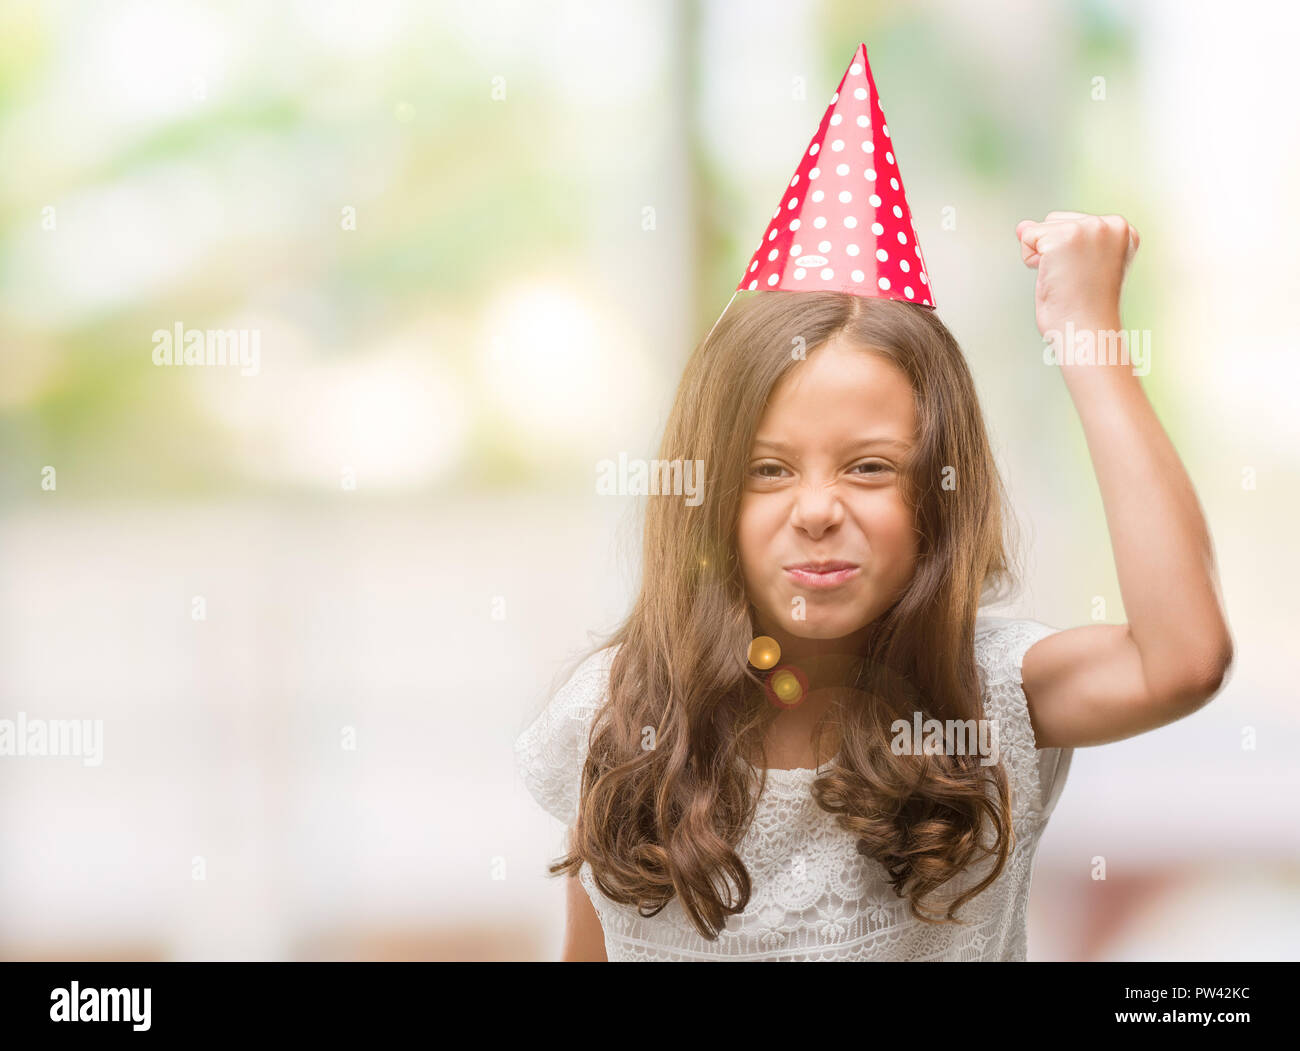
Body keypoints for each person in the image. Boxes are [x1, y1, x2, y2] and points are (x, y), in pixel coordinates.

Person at [514, 44, 1233, 963]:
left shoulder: (993, 694)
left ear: (939, 494)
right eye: (768, 470)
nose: (816, 509)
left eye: (869, 468)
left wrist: (1089, 339)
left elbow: (1186, 658)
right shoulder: (617, 719)